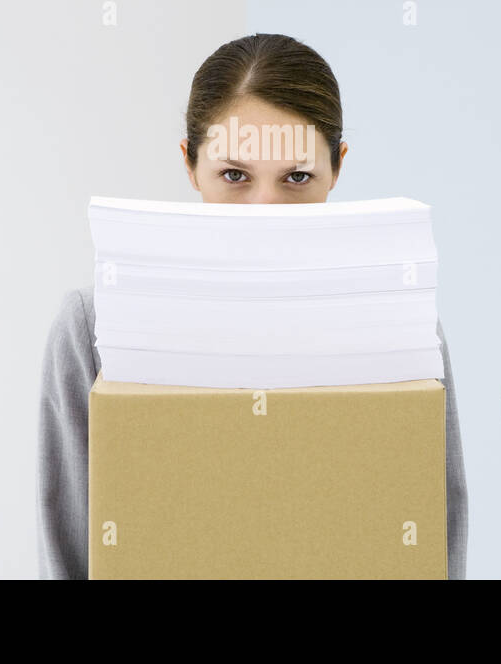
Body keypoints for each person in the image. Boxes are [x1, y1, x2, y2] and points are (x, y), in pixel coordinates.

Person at [36, 32, 469, 578]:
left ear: (337, 169)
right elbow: (70, 543)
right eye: (234, 175)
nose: (265, 211)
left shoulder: (399, 323)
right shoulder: (93, 326)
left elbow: (437, 532)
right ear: (190, 165)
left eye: (297, 177)